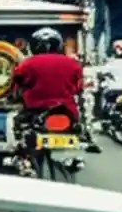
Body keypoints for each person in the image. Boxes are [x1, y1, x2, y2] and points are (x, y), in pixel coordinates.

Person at [8, 28, 86, 175]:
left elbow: (16, 84)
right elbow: (78, 89)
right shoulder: (73, 64)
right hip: (67, 112)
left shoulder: (27, 64)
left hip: (35, 112)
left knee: (13, 123)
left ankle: (18, 156)